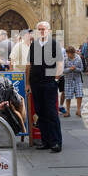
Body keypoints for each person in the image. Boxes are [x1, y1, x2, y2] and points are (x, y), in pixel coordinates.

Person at [28, 21, 64, 153]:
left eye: (43, 29)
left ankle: (56, 142)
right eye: (39, 29)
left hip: (49, 82)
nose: (41, 31)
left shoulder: (54, 44)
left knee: (51, 113)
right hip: (36, 82)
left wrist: (56, 78)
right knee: (40, 112)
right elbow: (31, 64)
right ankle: (46, 140)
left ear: (48, 30)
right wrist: (28, 83)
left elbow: (59, 62)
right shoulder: (34, 45)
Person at [62, 45, 85, 118]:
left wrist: (75, 69)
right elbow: (62, 70)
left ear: (73, 53)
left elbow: (81, 69)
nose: (68, 55)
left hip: (77, 80)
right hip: (68, 80)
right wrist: (69, 69)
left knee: (79, 95)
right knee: (68, 97)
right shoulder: (65, 59)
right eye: (67, 53)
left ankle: (78, 110)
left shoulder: (78, 59)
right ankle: (68, 111)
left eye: (70, 53)